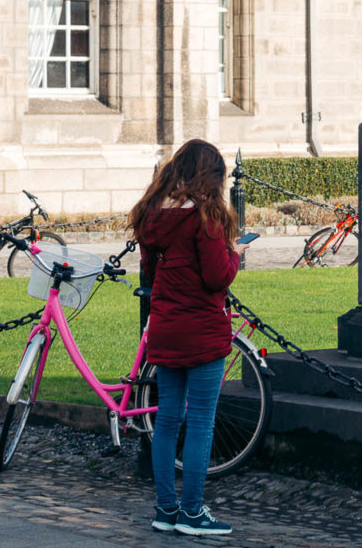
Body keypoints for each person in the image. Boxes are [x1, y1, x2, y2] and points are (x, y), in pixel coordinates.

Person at [128, 138, 240, 537]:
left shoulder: (153, 216)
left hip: (166, 328)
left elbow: (154, 274)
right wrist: (235, 255)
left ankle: (165, 509)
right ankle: (192, 512)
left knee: (168, 421)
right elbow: (216, 277)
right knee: (201, 424)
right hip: (202, 332)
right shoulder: (206, 218)